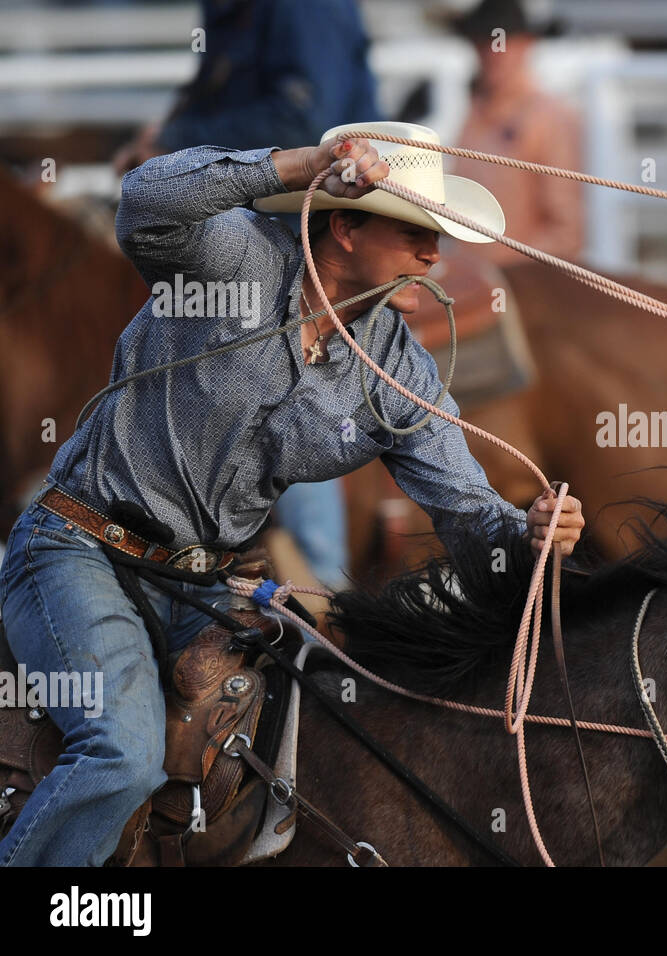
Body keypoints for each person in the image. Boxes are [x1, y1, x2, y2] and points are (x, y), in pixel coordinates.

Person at [0, 120, 583, 866]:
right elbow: (147, 196)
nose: (434, 255)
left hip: (205, 585)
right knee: (123, 751)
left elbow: (469, 515)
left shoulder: (400, 371)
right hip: (77, 550)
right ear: (342, 224)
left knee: (316, 747)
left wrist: (526, 534)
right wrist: (302, 164)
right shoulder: (232, 258)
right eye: (413, 232)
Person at [112, 0, 384, 592]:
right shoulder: (234, 10)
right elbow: (220, 99)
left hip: (325, 218)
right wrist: (169, 144)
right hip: (262, 212)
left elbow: (306, 123)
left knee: (292, 360)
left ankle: (320, 578)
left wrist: (175, 140)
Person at [444, 0, 586, 266]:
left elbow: (566, 231)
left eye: (501, 42)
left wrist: (505, 271)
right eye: (482, 42)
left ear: (526, 45)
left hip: (521, 285)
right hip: (477, 280)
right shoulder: (475, 112)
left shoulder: (550, 118)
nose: (492, 52)